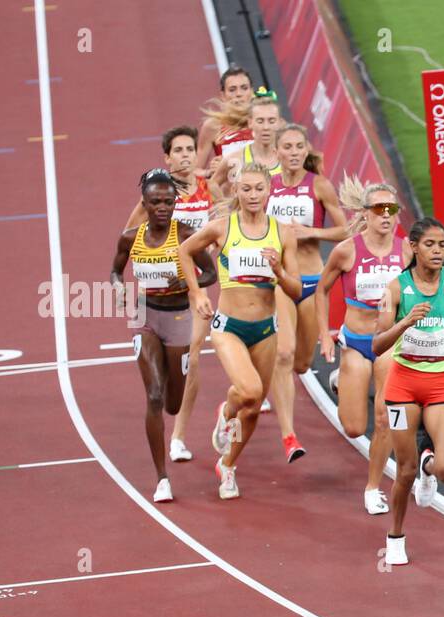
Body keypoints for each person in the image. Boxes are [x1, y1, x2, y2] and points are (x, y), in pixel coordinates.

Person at [178, 163, 302, 499]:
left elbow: (295, 291)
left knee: (253, 406)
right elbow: (185, 251)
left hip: (265, 329)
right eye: (245, 189)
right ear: (236, 191)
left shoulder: (283, 233)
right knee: (248, 392)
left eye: (258, 189)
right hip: (228, 326)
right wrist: (198, 292)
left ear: (268, 191)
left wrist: (278, 269)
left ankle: (227, 465)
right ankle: (227, 410)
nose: (252, 195)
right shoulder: (222, 227)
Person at [374, 218, 444, 563]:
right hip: (403, 386)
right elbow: (377, 344)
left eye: (442, 245)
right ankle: (395, 536)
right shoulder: (396, 289)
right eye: (430, 245)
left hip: (442, 384)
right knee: (403, 472)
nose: (437, 251)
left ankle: (429, 463)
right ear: (414, 247)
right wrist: (405, 322)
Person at [110, 169, 215, 502]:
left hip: (179, 316)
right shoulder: (130, 237)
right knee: (154, 396)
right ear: (144, 203)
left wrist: (187, 284)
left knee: (172, 403)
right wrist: (118, 288)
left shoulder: (186, 235)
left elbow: (211, 270)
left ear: (174, 203)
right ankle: (162, 479)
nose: (161, 208)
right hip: (145, 316)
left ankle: (173, 401)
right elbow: (115, 269)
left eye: (168, 202)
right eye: (154, 202)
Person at [122, 126, 222, 463]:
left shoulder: (211, 188)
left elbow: (223, 225)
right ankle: (162, 396)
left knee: (191, 357)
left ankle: (178, 435)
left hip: (195, 290)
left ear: (197, 152)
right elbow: (129, 234)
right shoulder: (156, 195)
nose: (184, 155)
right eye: (177, 151)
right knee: (170, 368)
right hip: (158, 296)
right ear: (167, 157)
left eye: (189, 149)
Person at [319, 178, 411, 514]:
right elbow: (322, 290)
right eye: (378, 209)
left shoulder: (406, 251)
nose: (386, 216)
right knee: (355, 427)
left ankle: (373, 487)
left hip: (390, 343)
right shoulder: (347, 250)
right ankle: (342, 382)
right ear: (366, 213)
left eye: (392, 209)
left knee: (384, 417)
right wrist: (322, 334)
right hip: (356, 343)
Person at [265, 124, 348, 462]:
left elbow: (347, 229)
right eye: (288, 146)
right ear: (278, 152)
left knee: (301, 363)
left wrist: (309, 231)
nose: (295, 152)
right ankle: (289, 436)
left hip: (313, 280)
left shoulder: (319, 185)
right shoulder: (265, 188)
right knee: (283, 355)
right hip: (281, 278)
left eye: (300, 146)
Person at [195, 67, 255, 181]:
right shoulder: (213, 126)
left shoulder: (265, 122)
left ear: (251, 92)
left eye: (244, 88)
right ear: (222, 95)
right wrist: (211, 172)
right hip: (228, 195)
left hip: (262, 193)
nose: (239, 94)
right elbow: (195, 171)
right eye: (232, 90)